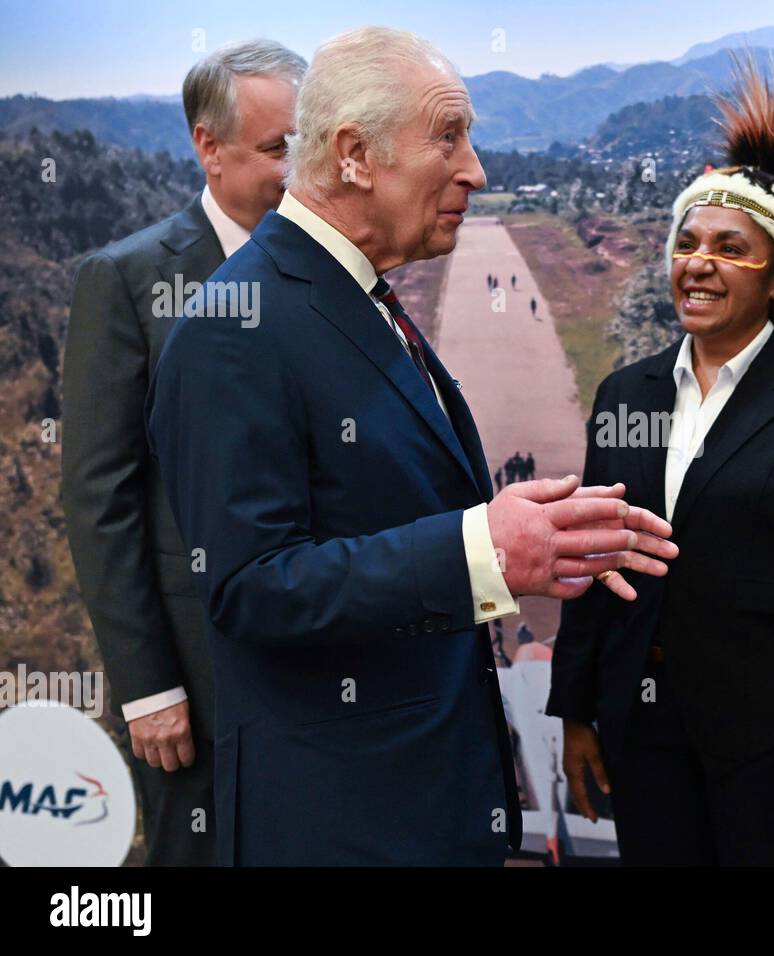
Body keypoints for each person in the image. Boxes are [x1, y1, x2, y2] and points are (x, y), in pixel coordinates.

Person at [145, 26, 676, 866]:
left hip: (425, 807)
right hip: (341, 826)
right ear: (354, 154)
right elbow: (251, 586)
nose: (476, 170)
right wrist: (483, 551)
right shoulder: (234, 327)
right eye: (448, 136)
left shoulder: (360, 301)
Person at [547, 41, 774, 866]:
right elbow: (593, 555)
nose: (699, 263)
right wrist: (576, 711)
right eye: (687, 242)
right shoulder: (628, 394)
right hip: (643, 730)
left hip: (769, 746)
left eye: (731, 248)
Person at [61, 38, 306, 867]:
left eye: (308, 144)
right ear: (209, 147)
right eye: (279, 149)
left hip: (320, 678)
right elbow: (101, 499)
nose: (298, 169)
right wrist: (149, 685)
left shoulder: (334, 278)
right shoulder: (126, 281)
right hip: (195, 686)